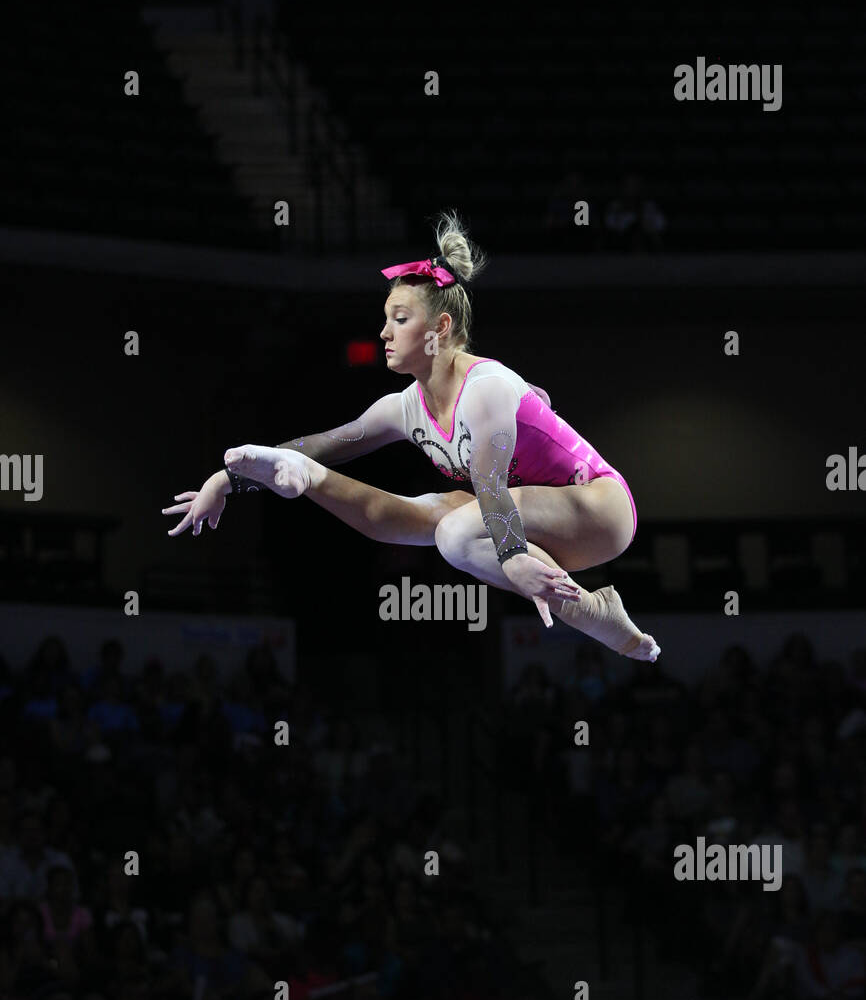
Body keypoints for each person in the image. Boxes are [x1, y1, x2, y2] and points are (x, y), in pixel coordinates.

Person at [162, 210, 659, 662]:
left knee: (454, 533)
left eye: (400, 319)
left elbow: (490, 485)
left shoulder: (485, 387)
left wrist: (514, 563)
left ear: (439, 328)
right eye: (386, 320)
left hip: (600, 509)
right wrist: (227, 478)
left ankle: (588, 611)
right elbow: (326, 442)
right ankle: (309, 480)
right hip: (530, 515)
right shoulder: (404, 407)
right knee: (403, 517)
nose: (384, 332)